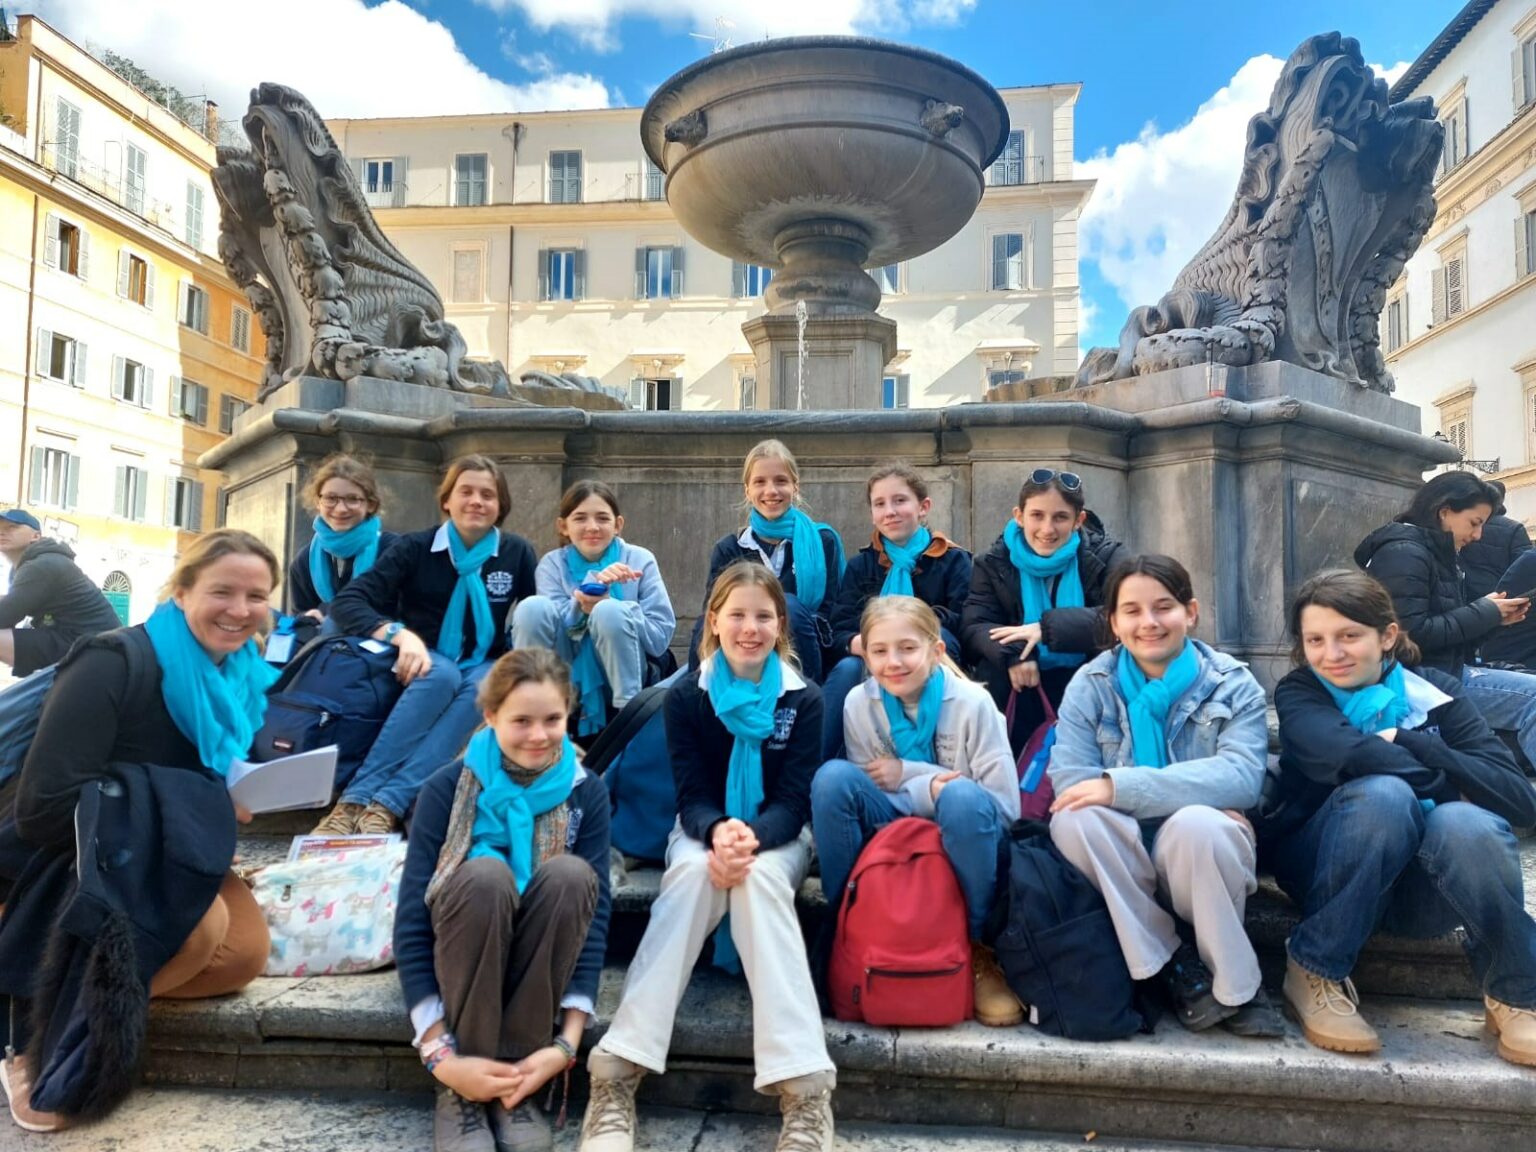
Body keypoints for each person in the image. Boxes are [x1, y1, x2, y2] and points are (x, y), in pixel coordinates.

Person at [0, 530, 277, 1133]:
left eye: (256, 596)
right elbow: (42, 808)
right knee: (200, 933)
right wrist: (198, 801)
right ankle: (41, 1035)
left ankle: (109, 990)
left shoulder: (241, 676)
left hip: (163, 838)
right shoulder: (112, 660)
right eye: (221, 591)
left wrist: (219, 802)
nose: (239, 610)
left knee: (244, 955)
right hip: (73, 850)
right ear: (181, 592)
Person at [579, 563, 834, 1152]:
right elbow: (690, 791)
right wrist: (718, 831)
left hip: (779, 834)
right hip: (701, 828)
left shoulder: (805, 698)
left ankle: (804, 1092)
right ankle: (616, 1075)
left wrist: (748, 839)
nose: (750, 628)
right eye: (737, 614)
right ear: (713, 621)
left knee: (760, 880)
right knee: (693, 874)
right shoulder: (687, 696)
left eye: (763, 616)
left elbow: (795, 801)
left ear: (780, 624)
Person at [1263, 569, 1536, 1062]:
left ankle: (1514, 994)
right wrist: (1447, 783)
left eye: (1350, 636)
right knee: (1385, 795)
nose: (1333, 654)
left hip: (1425, 893)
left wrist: (1410, 740)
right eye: (1316, 640)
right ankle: (1315, 968)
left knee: (1468, 824)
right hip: (1327, 872)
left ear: (1387, 636)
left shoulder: (1437, 693)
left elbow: (1518, 799)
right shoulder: (1302, 692)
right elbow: (1344, 755)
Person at [1047, 555, 1281, 1037]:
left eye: (1164, 607)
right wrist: (1121, 797)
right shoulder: (1092, 684)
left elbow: (1240, 779)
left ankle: (1234, 984)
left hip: (1201, 854)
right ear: (1113, 622)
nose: (1148, 623)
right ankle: (1177, 963)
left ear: (1190, 612)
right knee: (1074, 820)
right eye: (1131, 611)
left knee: (1195, 823)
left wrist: (1121, 787)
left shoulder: (1232, 683)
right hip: (1121, 855)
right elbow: (1070, 783)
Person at [395, 648, 612, 1152]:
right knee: (487, 877)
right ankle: (464, 1090)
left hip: (541, 959)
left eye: (552, 719)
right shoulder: (445, 788)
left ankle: (516, 1080)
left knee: (571, 877)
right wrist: (440, 1058)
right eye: (521, 721)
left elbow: (593, 919)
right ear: (491, 717)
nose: (539, 735)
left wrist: (565, 1045)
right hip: (464, 945)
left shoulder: (587, 792)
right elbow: (410, 918)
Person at [811, 596, 1022, 1026]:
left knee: (960, 798)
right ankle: (848, 931)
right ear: (865, 656)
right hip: (897, 835)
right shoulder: (859, 703)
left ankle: (976, 945)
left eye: (907, 648)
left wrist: (914, 774)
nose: (894, 662)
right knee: (832, 779)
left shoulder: (973, 704)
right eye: (880, 651)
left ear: (936, 650)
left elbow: (1003, 809)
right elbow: (870, 789)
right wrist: (929, 786)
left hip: (969, 837)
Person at [315, 455, 538, 835]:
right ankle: (353, 801)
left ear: (500, 506)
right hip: (425, 654)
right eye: (465, 491)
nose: (476, 502)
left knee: (484, 685)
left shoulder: (516, 553)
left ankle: (386, 804)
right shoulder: (415, 548)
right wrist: (399, 635)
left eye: (488, 494)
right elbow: (349, 602)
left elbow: (537, 613)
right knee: (439, 676)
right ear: (446, 499)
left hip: (485, 660)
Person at [1356, 470, 1536, 770]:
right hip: (1417, 679)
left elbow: (1448, 633)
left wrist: (1494, 620)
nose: (1478, 536)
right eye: (1474, 523)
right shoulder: (1405, 552)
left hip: (1443, 670)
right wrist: (1485, 613)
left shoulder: (1433, 552)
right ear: (1444, 511)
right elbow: (1409, 634)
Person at [960, 468, 1125, 753]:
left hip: (1086, 672)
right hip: (1024, 676)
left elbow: (1124, 615)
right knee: (990, 674)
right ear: (1019, 516)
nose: (1047, 529)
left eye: (1060, 517)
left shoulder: (1107, 556)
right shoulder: (992, 562)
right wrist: (1016, 655)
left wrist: (1046, 630)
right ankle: (1003, 773)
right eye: (1037, 515)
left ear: (1078, 520)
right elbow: (975, 625)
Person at [821, 463, 972, 757]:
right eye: (880, 504)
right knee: (846, 669)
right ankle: (814, 769)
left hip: (929, 655)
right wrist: (868, 645)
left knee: (941, 641)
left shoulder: (953, 561)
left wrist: (907, 633)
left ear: (923, 506)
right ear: (872, 514)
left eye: (900, 500)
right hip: (872, 657)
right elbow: (838, 629)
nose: (889, 511)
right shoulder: (860, 566)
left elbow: (964, 619)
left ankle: (934, 750)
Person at [511, 481, 676, 739]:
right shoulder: (551, 565)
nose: (592, 527)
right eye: (580, 518)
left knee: (608, 612)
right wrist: (584, 599)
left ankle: (627, 728)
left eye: (602, 518)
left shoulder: (640, 559)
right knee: (531, 608)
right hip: (565, 673)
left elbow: (659, 639)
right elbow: (553, 630)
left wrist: (613, 605)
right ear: (563, 526)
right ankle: (529, 706)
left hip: (626, 674)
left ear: (618, 525)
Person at [695, 439, 845, 683]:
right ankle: (704, 698)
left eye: (781, 481)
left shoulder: (822, 541)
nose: (771, 491)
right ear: (747, 490)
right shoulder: (730, 549)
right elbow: (712, 613)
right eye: (760, 482)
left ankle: (804, 701)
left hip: (805, 649)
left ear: (795, 487)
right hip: (745, 643)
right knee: (703, 624)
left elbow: (831, 611)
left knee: (790, 607)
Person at [0, 508, 121, 676]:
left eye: (12, 527)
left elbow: (5, 615)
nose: (2, 532)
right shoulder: (25, 567)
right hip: (78, 640)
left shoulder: (42, 566)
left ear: (36, 536)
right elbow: (11, 605)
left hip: (92, 647)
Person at [287, 454, 399, 621]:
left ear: (370, 504)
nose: (341, 509)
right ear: (318, 502)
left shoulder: (395, 550)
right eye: (331, 498)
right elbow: (300, 620)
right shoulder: (303, 562)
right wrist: (307, 619)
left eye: (353, 499)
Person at [1461, 481, 1536, 668]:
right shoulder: (1513, 529)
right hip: (1503, 615)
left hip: (1486, 607)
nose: (1477, 534)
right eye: (1474, 524)